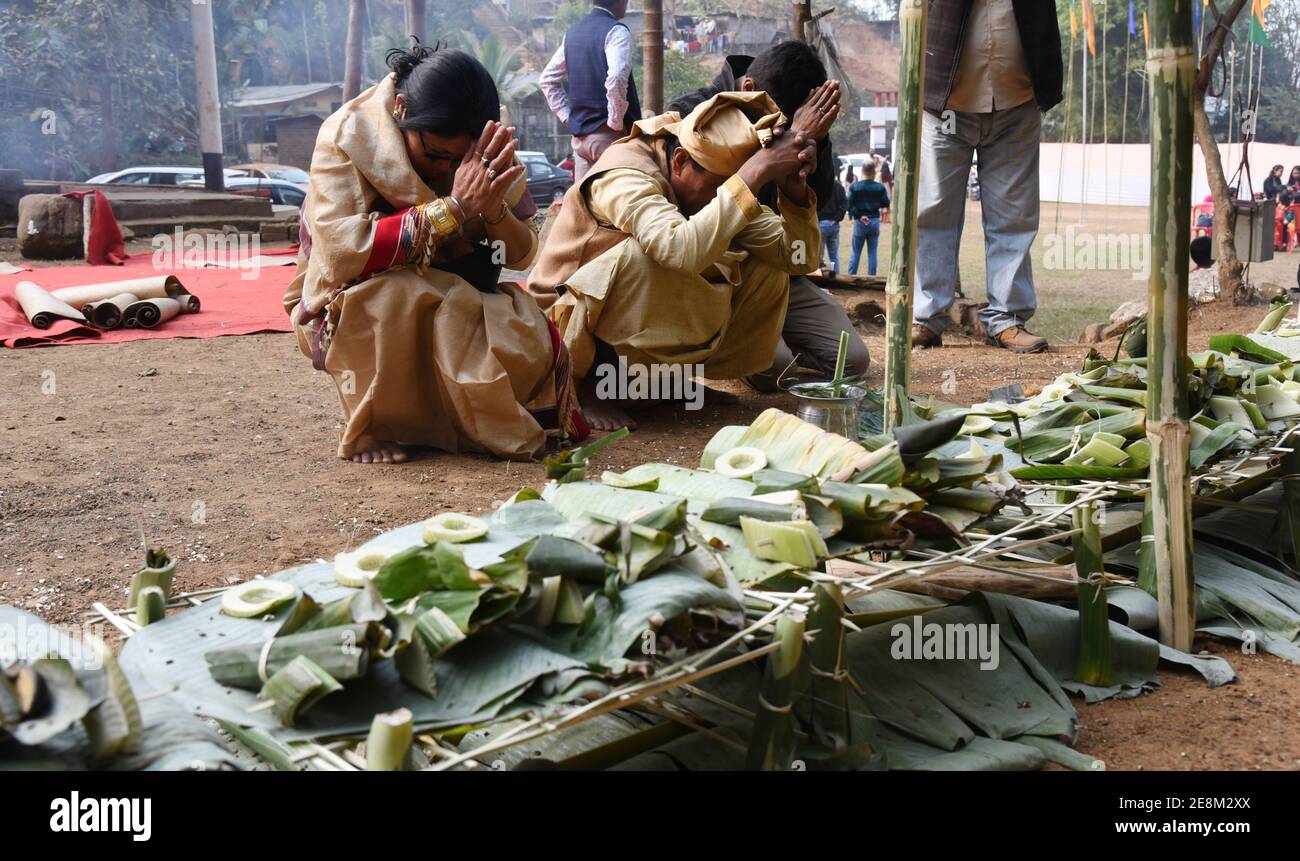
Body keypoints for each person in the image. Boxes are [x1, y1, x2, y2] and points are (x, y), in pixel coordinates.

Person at [284, 44, 587, 465]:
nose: (444, 171)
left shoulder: (483, 144)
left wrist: (493, 205)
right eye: (435, 155)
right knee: (402, 297)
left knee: (520, 323)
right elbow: (342, 255)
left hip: (455, 281)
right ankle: (373, 426)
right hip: (346, 296)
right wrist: (455, 208)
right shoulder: (347, 135)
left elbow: (519, 257)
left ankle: (442, 426)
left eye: (457, 159)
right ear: (402, 110)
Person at [527, 90, 832, 429]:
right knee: (646, 257)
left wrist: (793, 194)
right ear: (680, 161)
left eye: (731, 186)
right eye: (719, 187)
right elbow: (678, 248)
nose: (723, 197)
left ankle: (659, 383)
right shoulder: (625, 174)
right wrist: (751, 176)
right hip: (560, 323)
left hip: (623, 316)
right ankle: (590, 387)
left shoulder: (719, 185)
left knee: (763, 265)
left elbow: (798, 259)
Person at [669, 40, 869, 390]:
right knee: (775, 372)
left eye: (790, 130)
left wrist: (812, 142)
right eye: (782, 129)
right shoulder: (692, 113)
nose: (784, 136)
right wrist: (768, 158)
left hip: (778, 270)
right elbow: (685, 217)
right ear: (748, 89)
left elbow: (816, 206)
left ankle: (786, 345)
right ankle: (742, 351)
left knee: (851, 361)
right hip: (717, 278)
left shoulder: (797, 117)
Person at [912, 0, 1063, 353]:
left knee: (1014, 216)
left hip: (1018, 98)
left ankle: (1007, 319)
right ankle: (926, 319)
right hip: (945, 104)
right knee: (933, 213)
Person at [539, 0, 640, 183]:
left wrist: (567, 116)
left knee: (584, 206)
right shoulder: (616, 31)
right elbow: (617, 77)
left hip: (580, 140)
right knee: (616, 204)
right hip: (608, 137)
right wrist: (616, 123)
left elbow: (547, 79)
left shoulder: (573, 33)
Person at [847, 162, 890, 276]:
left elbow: (849, 204)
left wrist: (859, 215)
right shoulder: (880, 187)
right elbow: (885, 202)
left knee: (856, 252)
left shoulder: (854, 187)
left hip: (860, 221)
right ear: (874, 172)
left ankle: (851, 276)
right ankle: (872, 277)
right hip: (874, 220)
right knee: (872, 252)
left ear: (862, 171)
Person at [818, 171, 849, 275]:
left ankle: (818, 279)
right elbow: (844, 204)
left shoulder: (819, 187)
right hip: (833, 224)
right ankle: (837, 277)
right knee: (834, 255)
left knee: (818, 255)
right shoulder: (838, 186)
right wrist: (837, 218)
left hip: (821, 223)